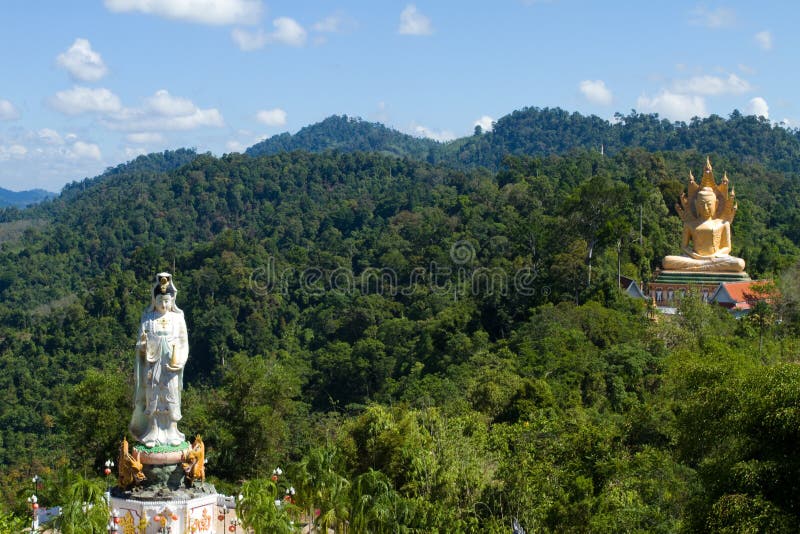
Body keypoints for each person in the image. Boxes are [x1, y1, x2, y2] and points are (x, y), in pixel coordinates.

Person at [129, 273, 189, 447]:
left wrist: (178, 361)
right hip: (153, 363)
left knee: (171, 395)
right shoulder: (148, 318)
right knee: (153, 396)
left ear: (172, 301)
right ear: (154, 300)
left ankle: (172, 430)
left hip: (171, 365)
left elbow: (184, 342)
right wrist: (143, 344)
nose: (164, 305)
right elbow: (140, 342)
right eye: (160, 301)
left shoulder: (178, 318)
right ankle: (153, 430)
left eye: (167, 301)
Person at [663, 186, 745, 272]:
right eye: (702, 204)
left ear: (716, 204)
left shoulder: (723, 224)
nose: (705, 208)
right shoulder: (689, 224)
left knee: (739, 263)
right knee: (666, 260)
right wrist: (695, 256)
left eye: (709, 204)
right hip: (695, 259)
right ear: (696, 204)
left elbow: (727, 248)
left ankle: (699, 267)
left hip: (716, 259)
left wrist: (714, 256)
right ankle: (704, 266)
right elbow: (684, 247)